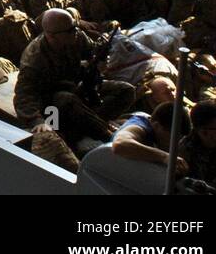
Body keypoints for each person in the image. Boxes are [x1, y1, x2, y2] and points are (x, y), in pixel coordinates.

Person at [14, 8, 135, 150]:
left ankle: (85, 126)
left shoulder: (77, 37)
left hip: (78, 89)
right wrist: (37, 121)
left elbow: (92, 52)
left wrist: (100, 59)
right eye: (70, 30)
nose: (76, 31)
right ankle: (106, 134)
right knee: (65, 99)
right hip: (52, 106)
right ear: (52, 36)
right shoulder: (34, 59)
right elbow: (23, 96)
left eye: (75, 27)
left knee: (126, 90)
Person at [111, 101, 189, 175]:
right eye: (170, 137)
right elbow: (120, 144)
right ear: (156, 125)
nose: (172, 143)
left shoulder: (155, 132)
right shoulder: (139, 125)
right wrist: (165, 157)